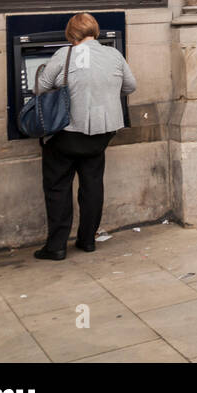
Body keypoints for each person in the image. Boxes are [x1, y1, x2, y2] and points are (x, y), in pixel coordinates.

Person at [34, 13, 137, 260]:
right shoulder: (113, 55)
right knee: (92, 185)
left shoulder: (64, 54)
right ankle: (88, 240)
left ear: (72, 34)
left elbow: (39, 87)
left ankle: (57, 246)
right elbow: (130, 86)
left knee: (58, 186)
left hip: (67, 133)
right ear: (95, 31)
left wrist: (60, 82)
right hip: (100, 134)